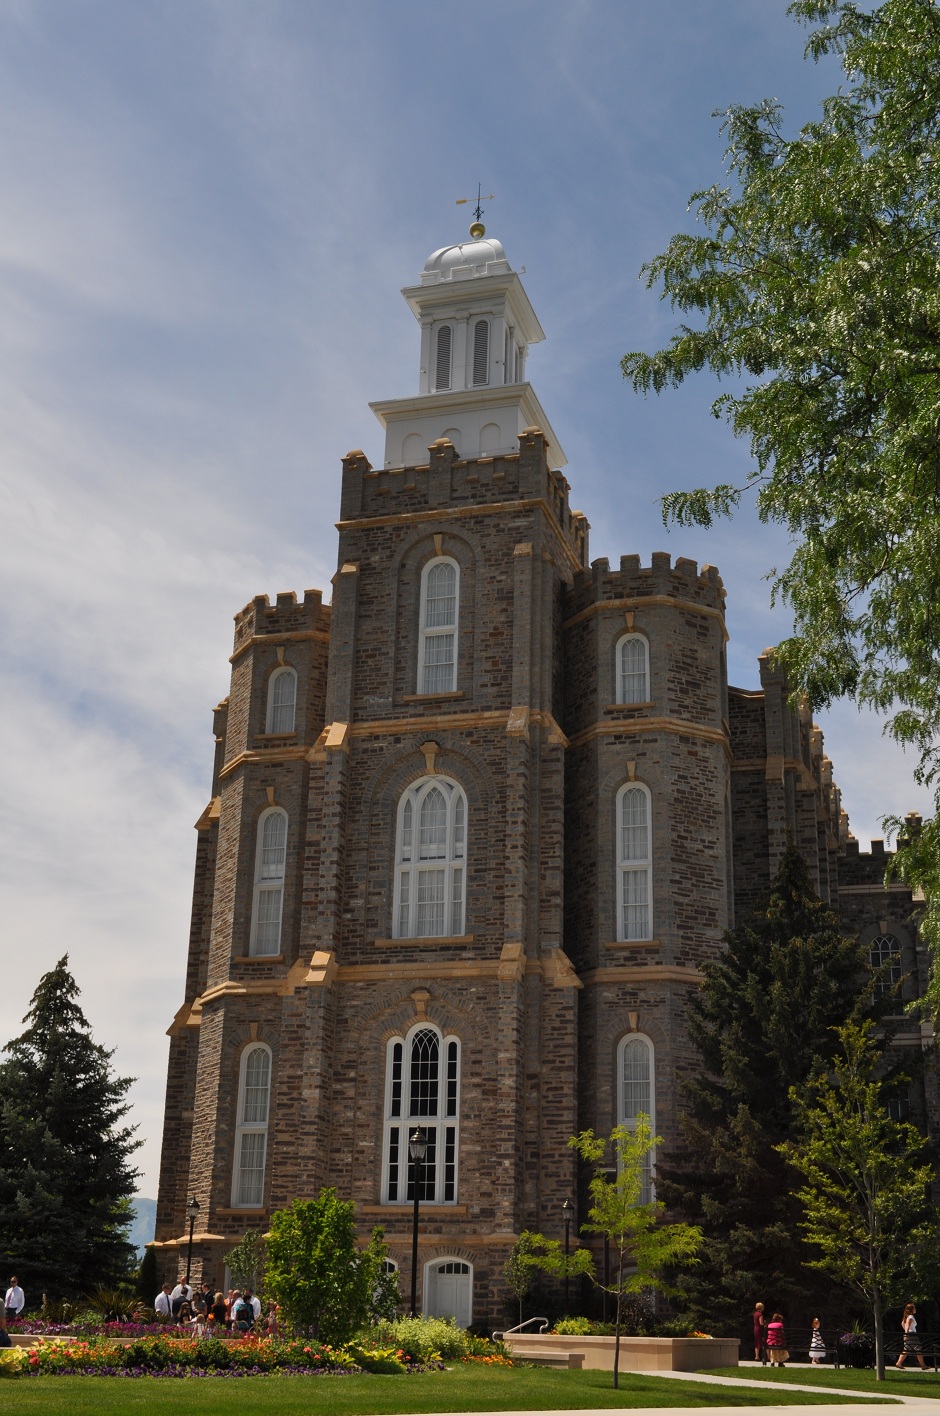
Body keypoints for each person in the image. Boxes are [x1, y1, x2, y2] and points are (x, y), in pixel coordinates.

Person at [896, 1303, 927, 1370]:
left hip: (909, 1334)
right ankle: (923, 1366)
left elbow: (902, 1324)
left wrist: (906, 1333)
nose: (915, 1309)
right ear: (911, 1309)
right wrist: (906, 1333)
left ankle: (899, 1363)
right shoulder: (910, 1317)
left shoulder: (906, 1317)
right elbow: (907, 1326)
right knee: (918, 1350)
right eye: (914, 1308)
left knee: (906, 1349)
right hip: (912, 1335)